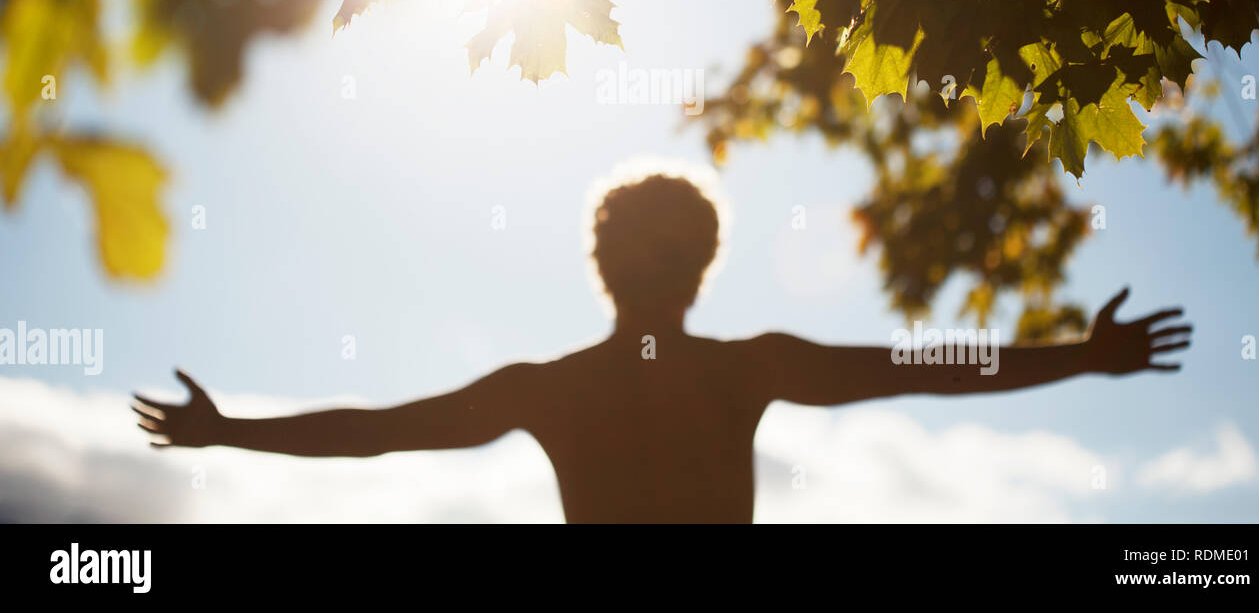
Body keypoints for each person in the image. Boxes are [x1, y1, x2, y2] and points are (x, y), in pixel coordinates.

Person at [133, 171, 1191, 523]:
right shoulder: (744, 367)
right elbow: (925, 369)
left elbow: (377, 435)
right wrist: (1079, 357)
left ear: (605, 265)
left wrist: (229, 430)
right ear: (700, 266)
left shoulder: (552, 388)